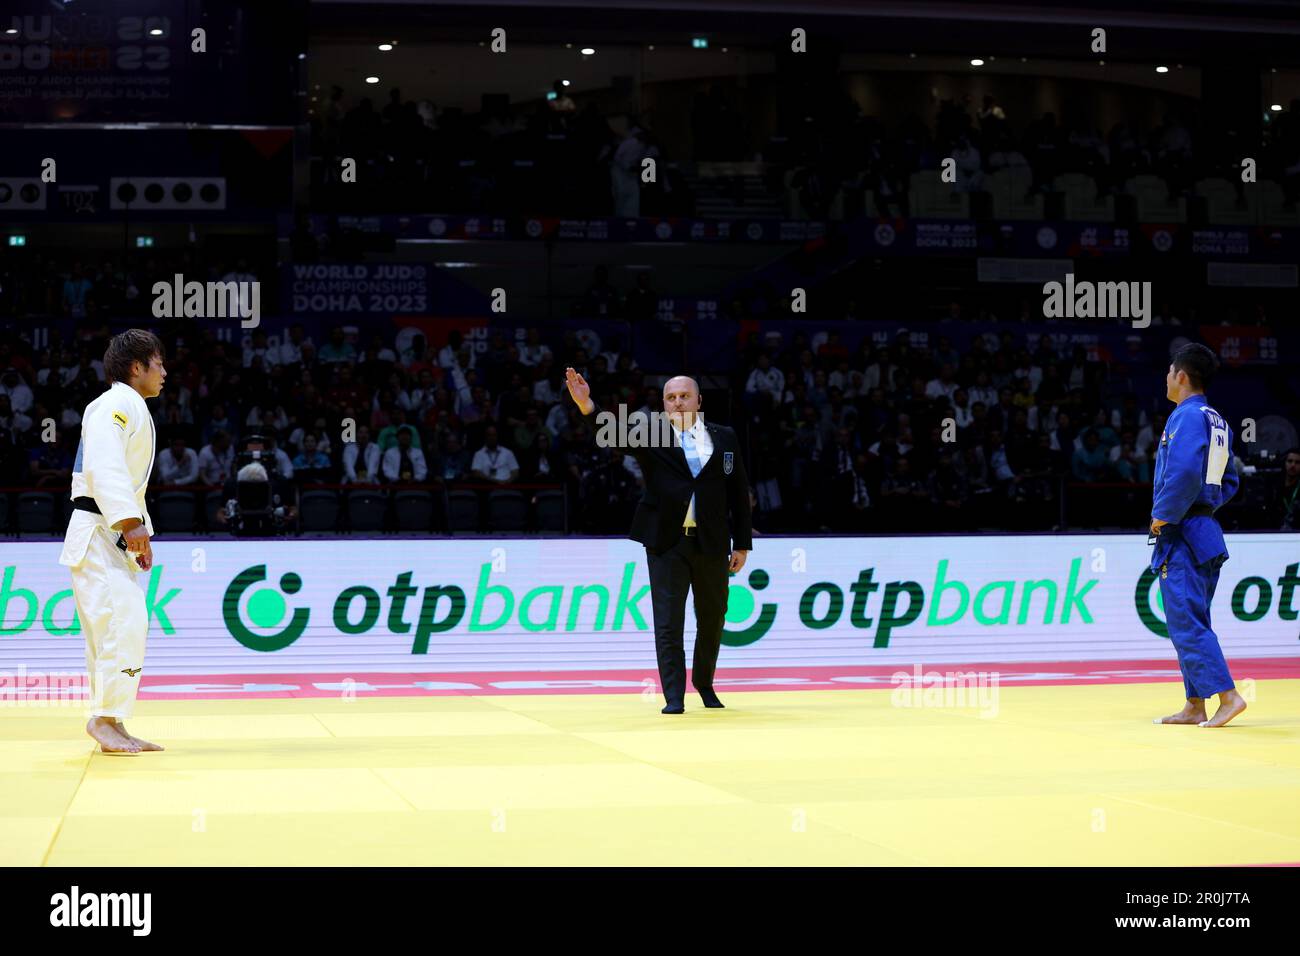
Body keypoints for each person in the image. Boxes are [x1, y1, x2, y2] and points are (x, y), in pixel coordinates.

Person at [565, 367, 752, 714]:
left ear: (699, 400)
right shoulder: (650, 434)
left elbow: (739, 492)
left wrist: (741, 544)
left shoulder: (725, 437)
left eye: (684, 396)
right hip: (667, 541)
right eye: (670, 397)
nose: (678, 403)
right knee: (669, 620)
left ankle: (705, 684)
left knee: (713, 617)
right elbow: (612, 434)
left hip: (711, 541)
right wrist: (587, 405)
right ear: (663, 404)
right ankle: (674, 696)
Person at [57, 329, 167, 754]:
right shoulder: (115, 403)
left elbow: (126, 481)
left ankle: (113, 720)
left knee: (120, 627)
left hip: (111, 534)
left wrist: (140, 531)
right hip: (101, 530)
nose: (164, 372)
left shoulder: (127, 405)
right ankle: (103, 719)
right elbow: (105, 467)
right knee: (118, 625)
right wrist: (129, 524)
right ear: (136, 367)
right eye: (157, 363)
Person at [1150, 343, 1246, 729]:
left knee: (1186, 622)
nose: (1167, 377)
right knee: (1192, 619)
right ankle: (1194, 704)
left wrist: (1164, 514)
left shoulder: (1186, 417)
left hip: (1184, 533)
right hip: (1204, 530)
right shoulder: (1216, 419)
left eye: (1170, 371)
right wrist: (1206, 507)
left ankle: (1229, 696)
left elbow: (1186, 473)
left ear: (1182, 377)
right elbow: (1231, 480)